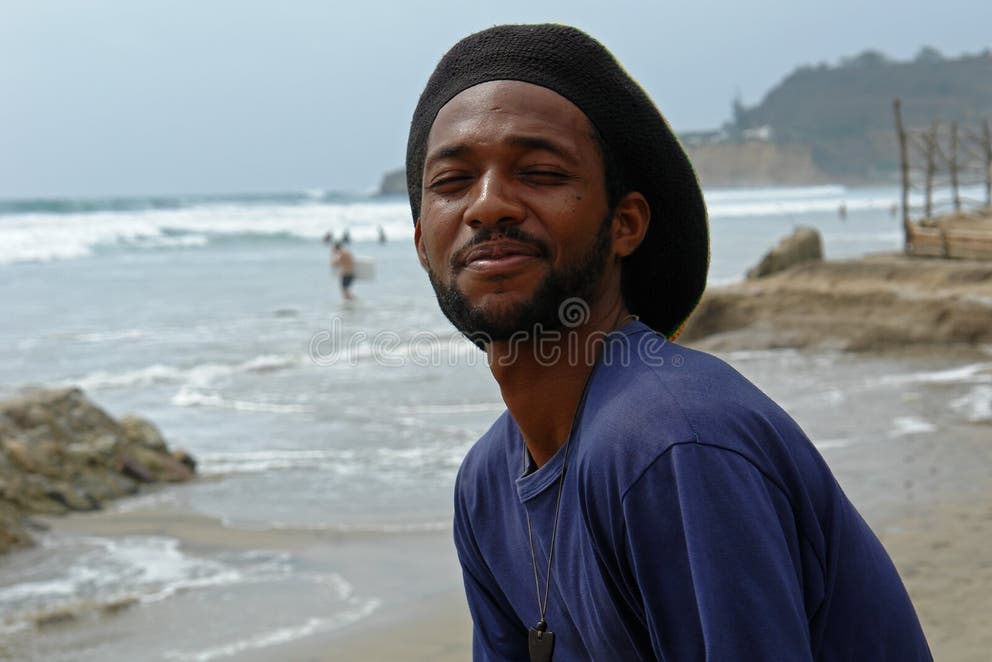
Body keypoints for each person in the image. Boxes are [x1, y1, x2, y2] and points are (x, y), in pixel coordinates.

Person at [406, 24, 931, 661]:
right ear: (420, 243)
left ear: (625, 225)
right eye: (452, 182)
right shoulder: (486, 484)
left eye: (540, 172)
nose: (487, 206)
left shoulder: (672, 443)